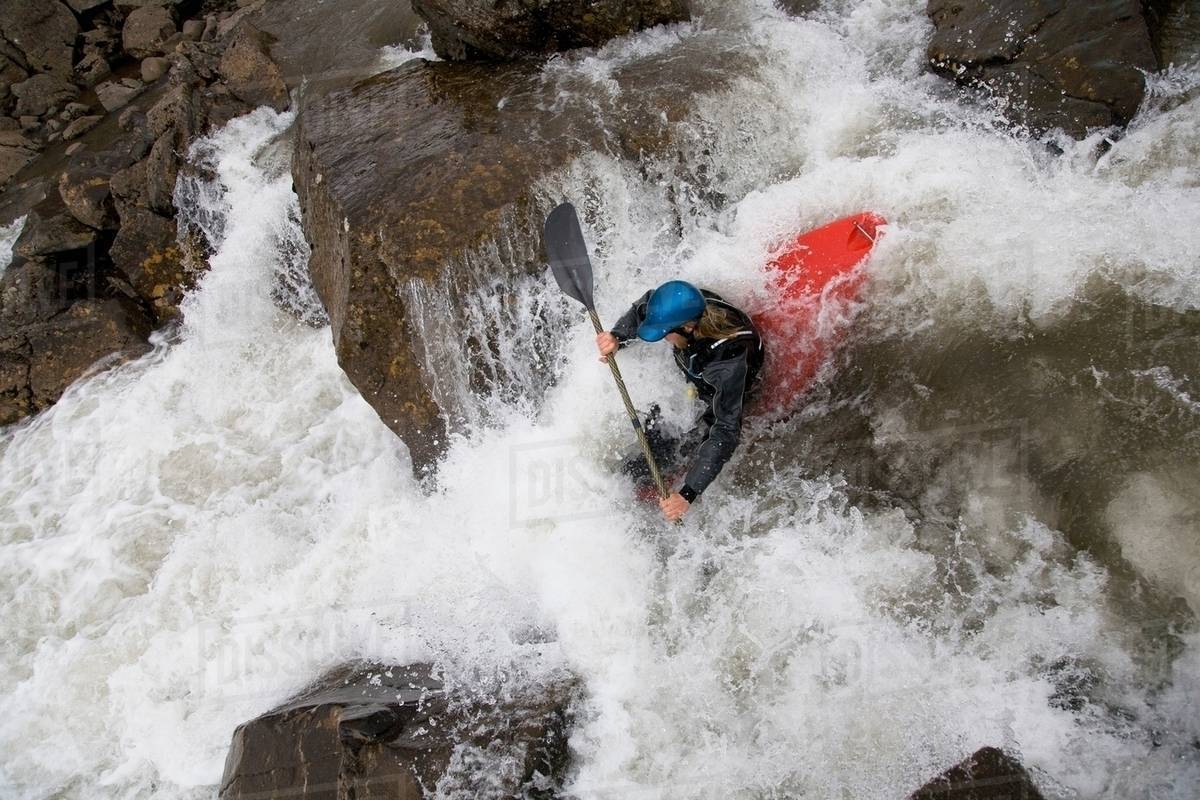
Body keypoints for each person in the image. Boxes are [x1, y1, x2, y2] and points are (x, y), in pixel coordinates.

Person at [596, 280, 764, 522]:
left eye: (666, 334)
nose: (664, 339)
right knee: (645, 447)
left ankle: (641, 495)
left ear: (688, 327)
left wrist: (687, 494)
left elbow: (726, 430)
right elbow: (645, 306)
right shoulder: (690, 303)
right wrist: (617, 337)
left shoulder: (726, 363)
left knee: (675, 445)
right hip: (697, 377)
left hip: (719, 392)